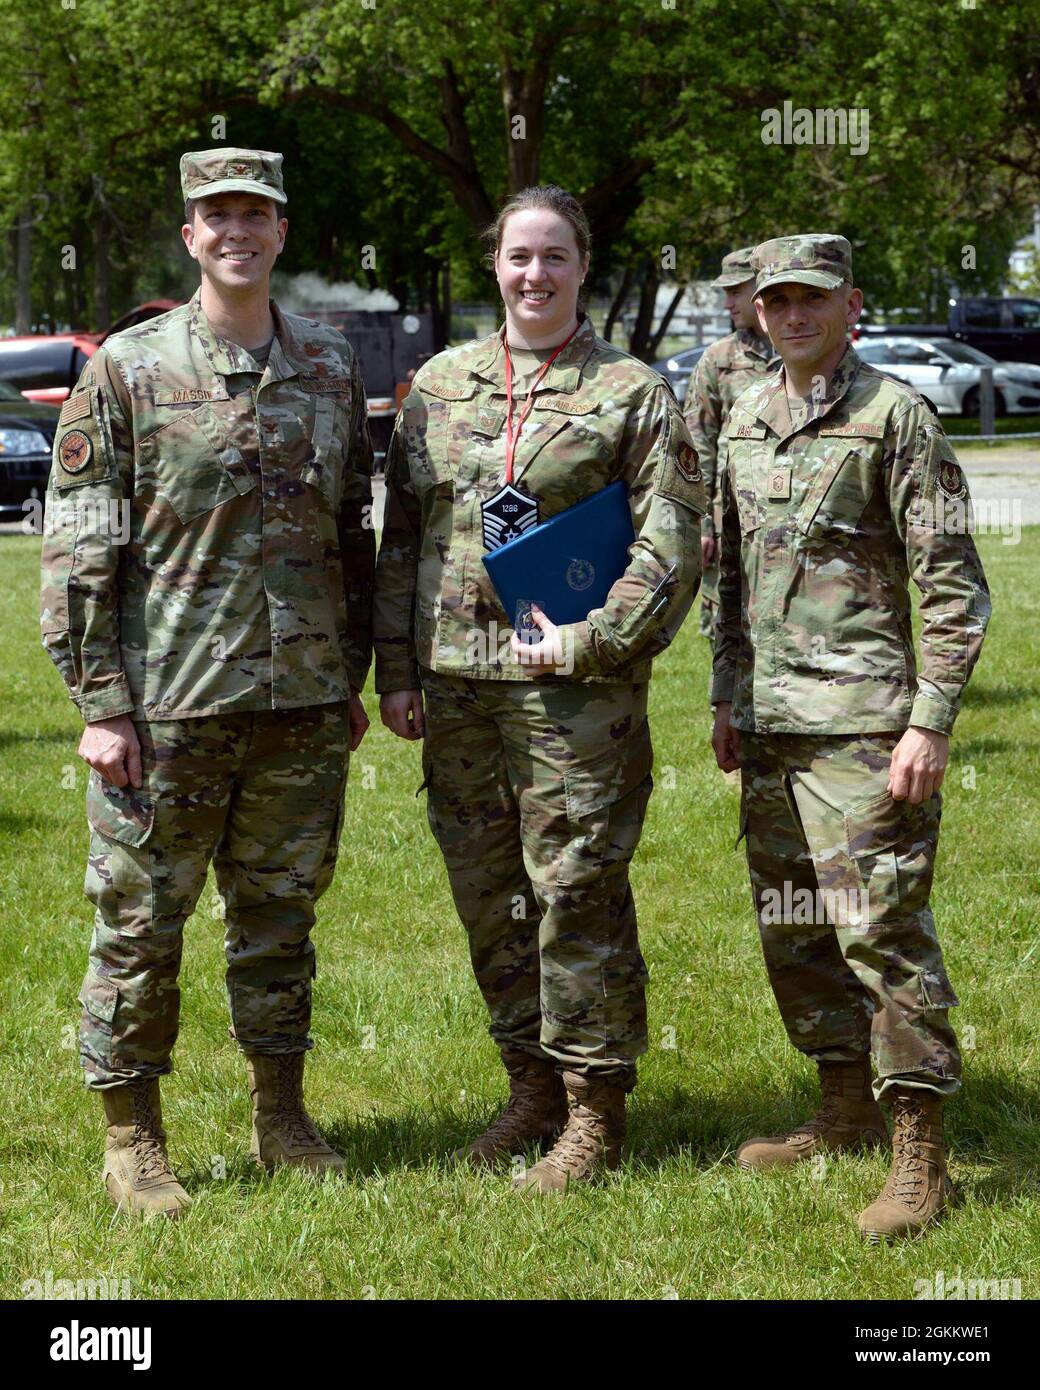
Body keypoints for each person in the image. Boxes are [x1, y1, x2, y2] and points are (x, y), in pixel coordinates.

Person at [39, 147, 375, 1218]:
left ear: (281, 233)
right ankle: (132, 1136)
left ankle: (281, 1112)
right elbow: (80, 542)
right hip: (168, 709)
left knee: (279, 921)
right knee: (139, 926)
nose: (237, 231)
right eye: (215, 215)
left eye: (256, 215)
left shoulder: (328, 365)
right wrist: (99, 701)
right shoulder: (127, 370)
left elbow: (355, 538)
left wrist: (352, 676)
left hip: (300, 708)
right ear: (190, 235)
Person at [374, 185, 705, 1193]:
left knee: (575, 891)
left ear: (581, 266)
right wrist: (395, 668)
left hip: (575, 695)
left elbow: (674, 538)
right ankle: (529, 1087)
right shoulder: (436, 384)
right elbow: (402, 539)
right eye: (518, 256)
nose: (534, 274)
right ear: (494, 265)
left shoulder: (631, 391)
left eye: (554, 256)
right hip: (459, 688)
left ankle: (593, 1108)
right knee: (489, 897)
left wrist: (595, 639)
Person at [711, 234, 991, 1241]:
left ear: (850, 306)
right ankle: (839, 1107)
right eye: (775, 300)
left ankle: (919, 1151)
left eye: (811, 300)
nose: (791, 316)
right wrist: (722, 697)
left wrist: (928, 719)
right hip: (772, 725)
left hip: (866, 731)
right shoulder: (744, 416)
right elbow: (731, 580)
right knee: (795, 930)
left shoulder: (893, 417)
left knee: (879, 931)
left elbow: (952, 584)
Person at [683, 247, 778, 644]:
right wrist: (702, 523)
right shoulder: (718, 359)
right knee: (727, 626)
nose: (728, 303)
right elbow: (696, 446)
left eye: (737, 291)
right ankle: (728, 706)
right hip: (730, 520)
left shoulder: (804, 350)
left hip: (788, 512)